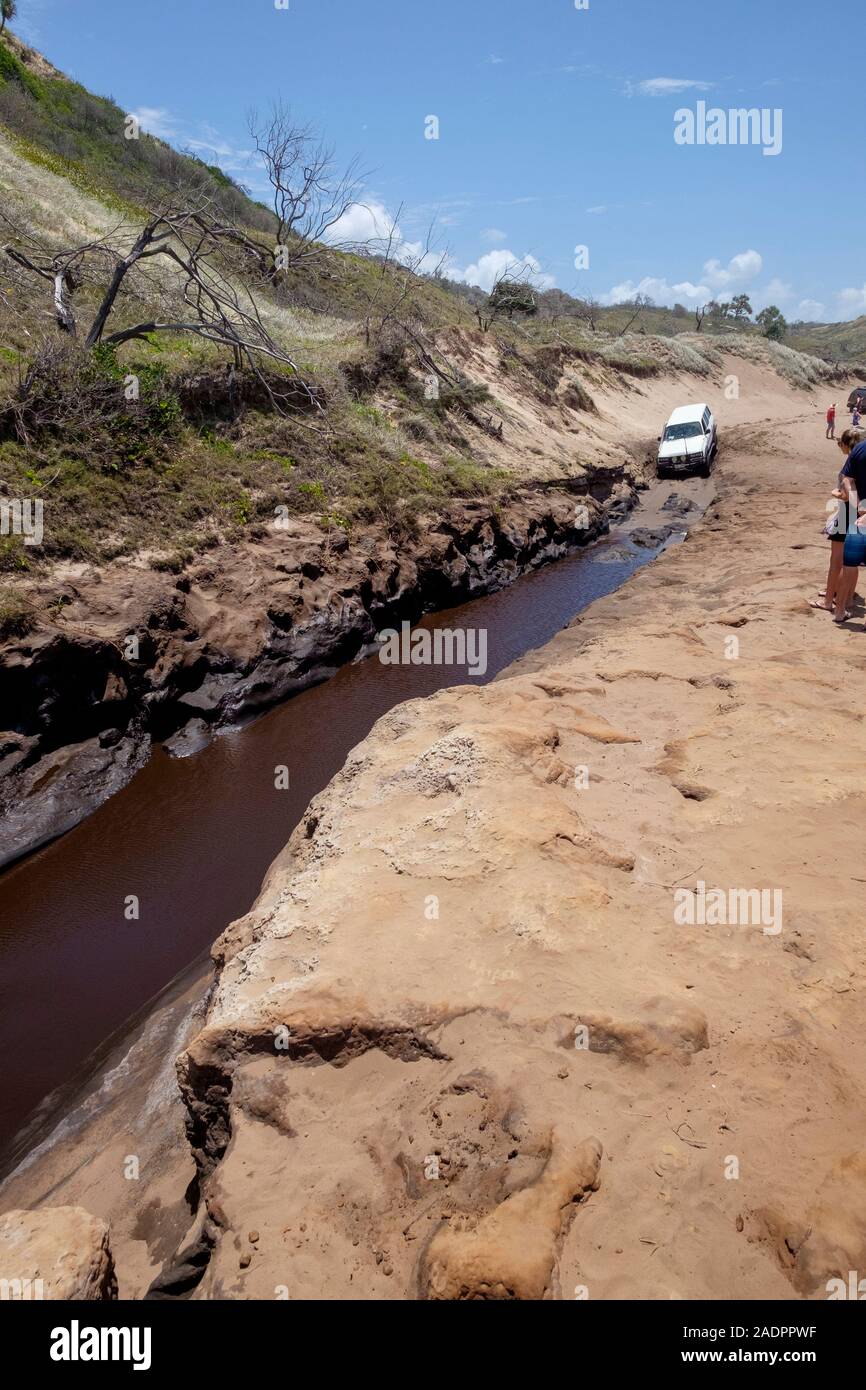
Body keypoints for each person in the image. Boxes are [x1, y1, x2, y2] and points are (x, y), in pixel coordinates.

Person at [829, 428, 866, 623]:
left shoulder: (859, 450)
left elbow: (847, 481)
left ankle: (839, 610)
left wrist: (858, 505)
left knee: (849, 564)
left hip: (856, 517)